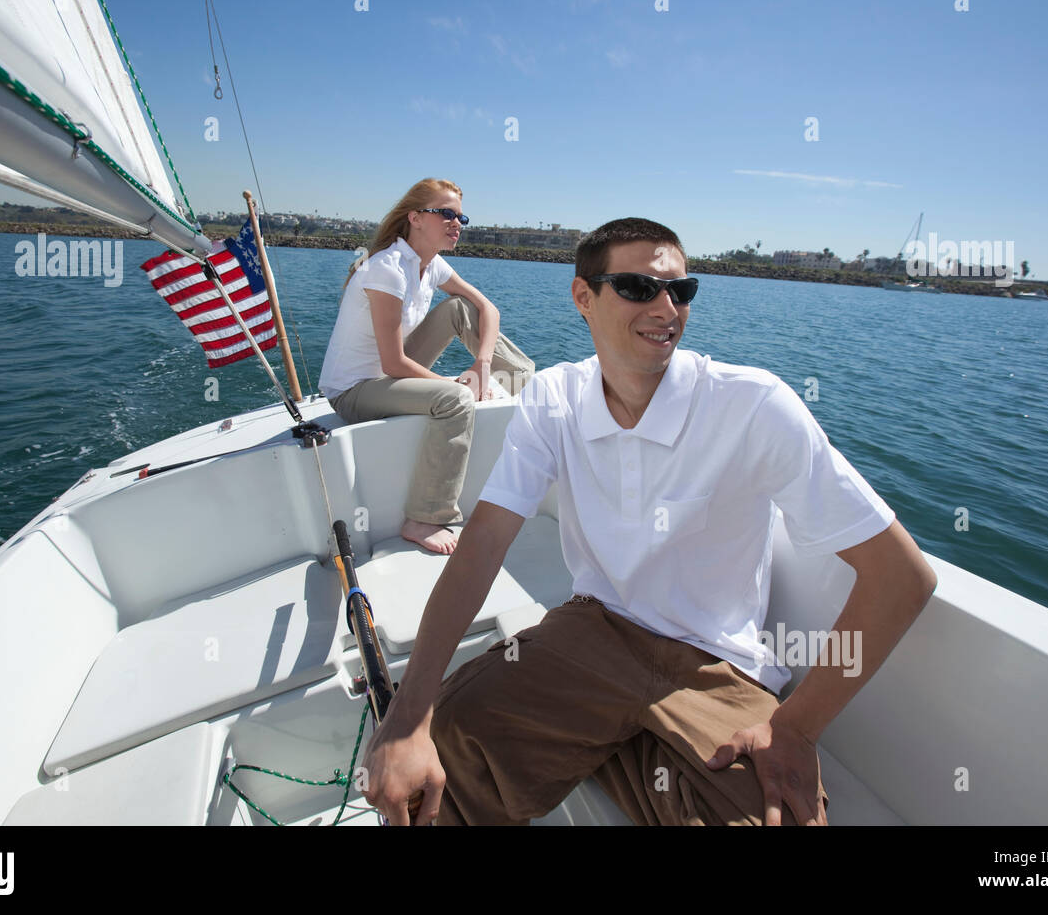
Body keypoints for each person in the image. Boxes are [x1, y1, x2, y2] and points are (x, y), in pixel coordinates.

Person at [361, 217, 938, 825]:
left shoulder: (753, 405)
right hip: (593, 631)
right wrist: (409, 715)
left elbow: (901, 577)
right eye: (639, 288)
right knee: (442, 749)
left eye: (681, 291)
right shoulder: (552, 398)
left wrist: (796, 728)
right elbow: (482, 544)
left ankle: (607, 740)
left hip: (713, 664)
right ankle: (613, 737)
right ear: (584, 297)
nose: (667, 308)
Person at [319, 179, 534, 554]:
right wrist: (456, 386)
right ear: (415, 218)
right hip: (356, 390)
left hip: (389, 374)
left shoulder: (431, 265)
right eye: (447, 214)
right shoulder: (388, 268)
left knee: (460, 309)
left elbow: (487, 309)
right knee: (454, 401)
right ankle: (423, 517)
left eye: (461, 217)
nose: (457, 223)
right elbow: (393, 362)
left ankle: (528, 390)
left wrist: (483, 364)